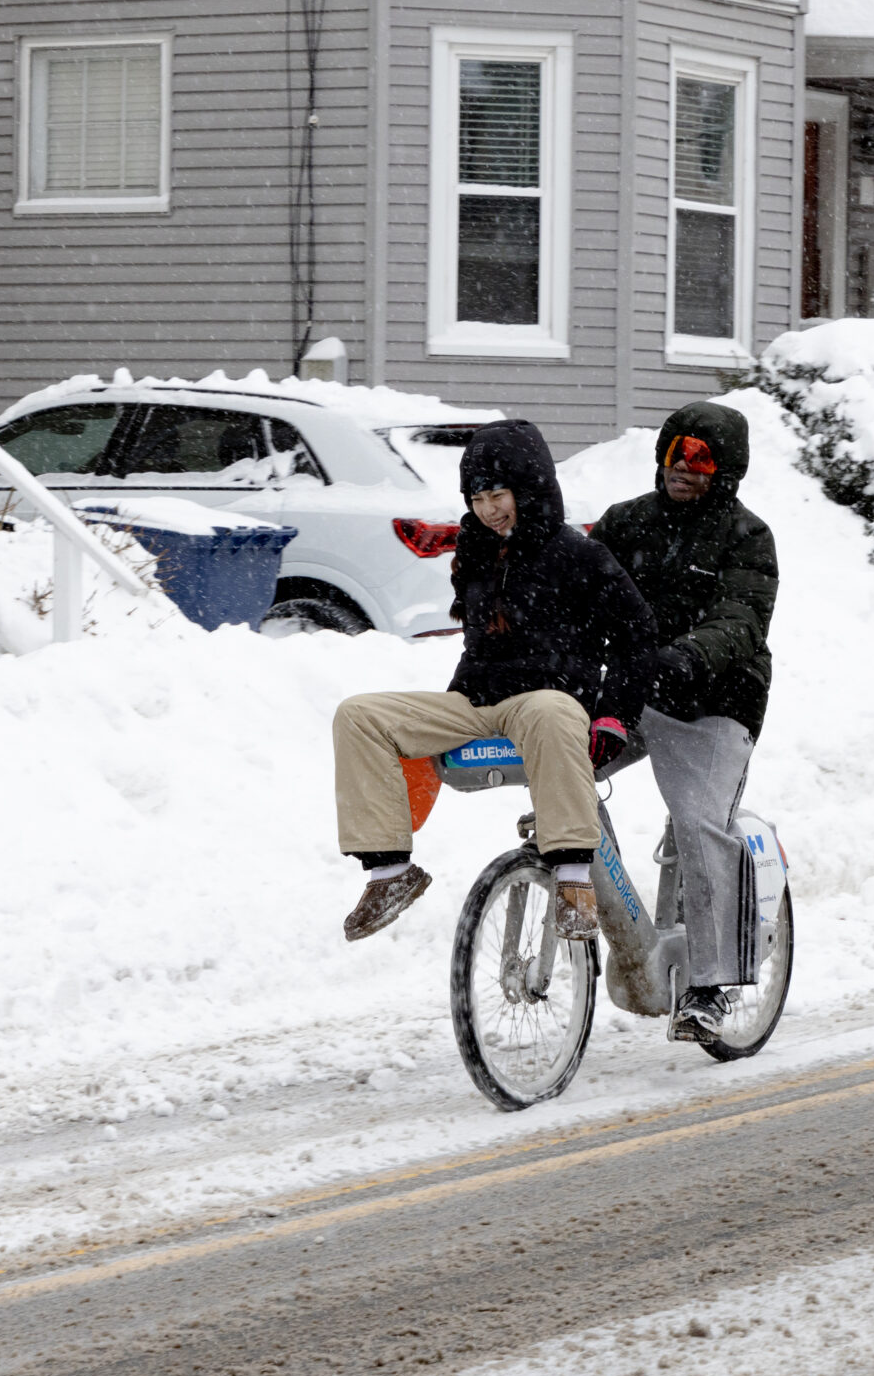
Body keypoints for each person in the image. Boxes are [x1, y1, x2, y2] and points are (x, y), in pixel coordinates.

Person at [333, 419, 654, 943]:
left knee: (549, 712)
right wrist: (459, 696)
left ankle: (574, 879)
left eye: (497, 494)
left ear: (528, 489)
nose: (488, 508)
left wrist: (614, 713)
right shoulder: (476, 554)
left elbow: (637, 635)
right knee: (360, 715)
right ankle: (390, 872)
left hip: (550, 698)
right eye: (477, 497)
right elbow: (479, 640)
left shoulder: (579, 554)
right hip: (479, 701)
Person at [591, 402, 778, 1041]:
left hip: (715, 697)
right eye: (675, 451)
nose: (682, 467)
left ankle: (710, 986)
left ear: (724, 471)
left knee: (699, 823)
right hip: (635, 687)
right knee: (557, 757)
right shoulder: (624, 524)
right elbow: (579, 594)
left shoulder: (747, 537)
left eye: (699, 458)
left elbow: (742, 619)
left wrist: (690, 656)